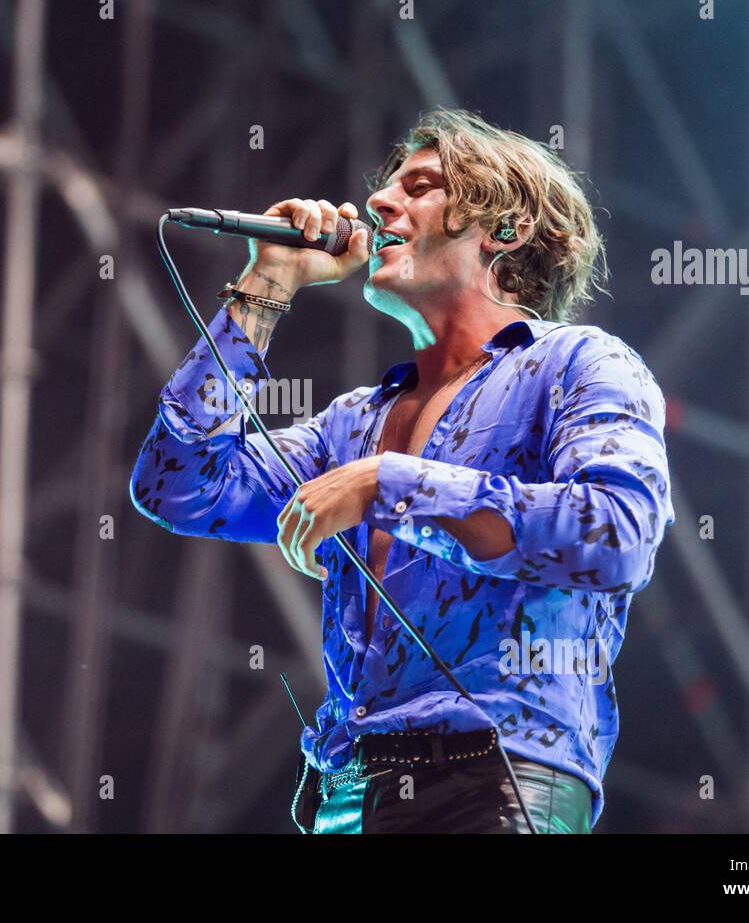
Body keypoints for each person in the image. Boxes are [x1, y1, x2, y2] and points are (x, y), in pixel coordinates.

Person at [129, 108, 674, 833]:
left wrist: (393, 484)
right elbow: (178, 483)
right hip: (346, 790)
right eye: (388, 187)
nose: (381, 203)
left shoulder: (579, 364)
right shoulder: (351, 424)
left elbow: (616, 533)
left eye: (419, 187)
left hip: (494, 774)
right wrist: (268, 283)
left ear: (504, 231)